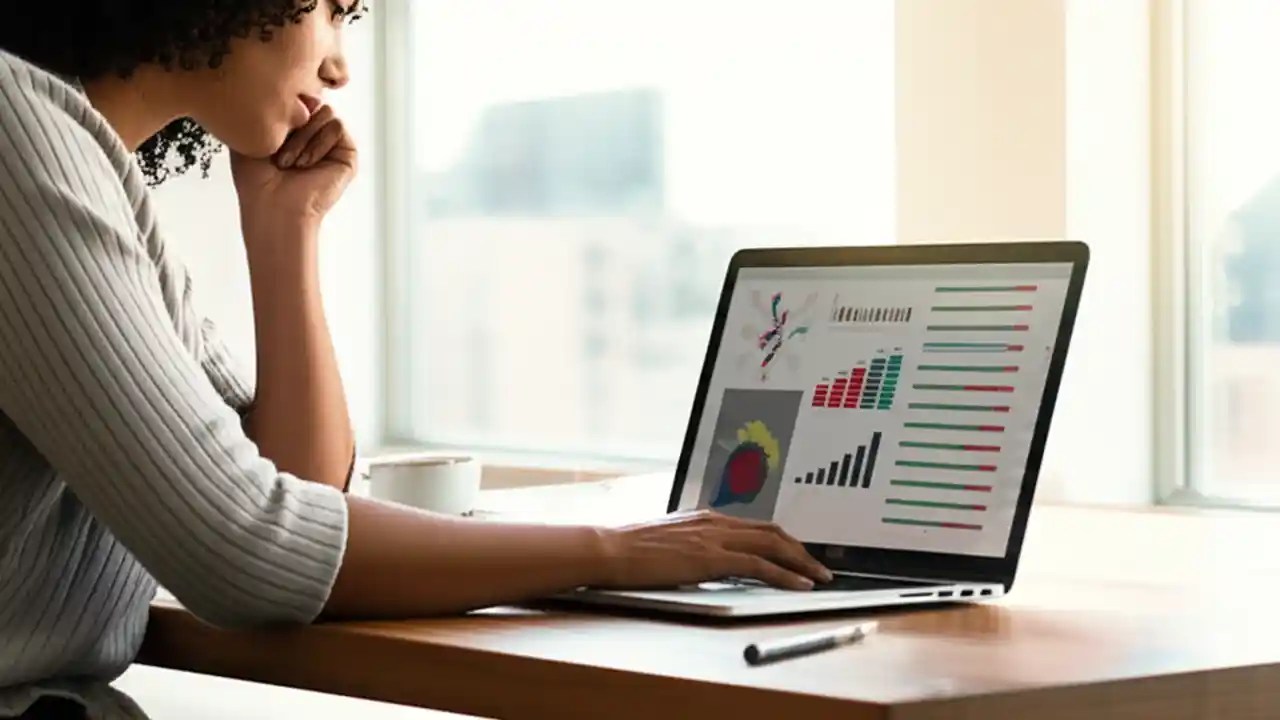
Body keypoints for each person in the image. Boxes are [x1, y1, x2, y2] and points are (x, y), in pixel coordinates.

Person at [0, 2, 831, 717]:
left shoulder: (84, 169)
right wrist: (618, 551)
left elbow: (295, 490)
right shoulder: (18, 136)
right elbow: (249, 550)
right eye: (328, 5)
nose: (337, 65)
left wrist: (285, 231)